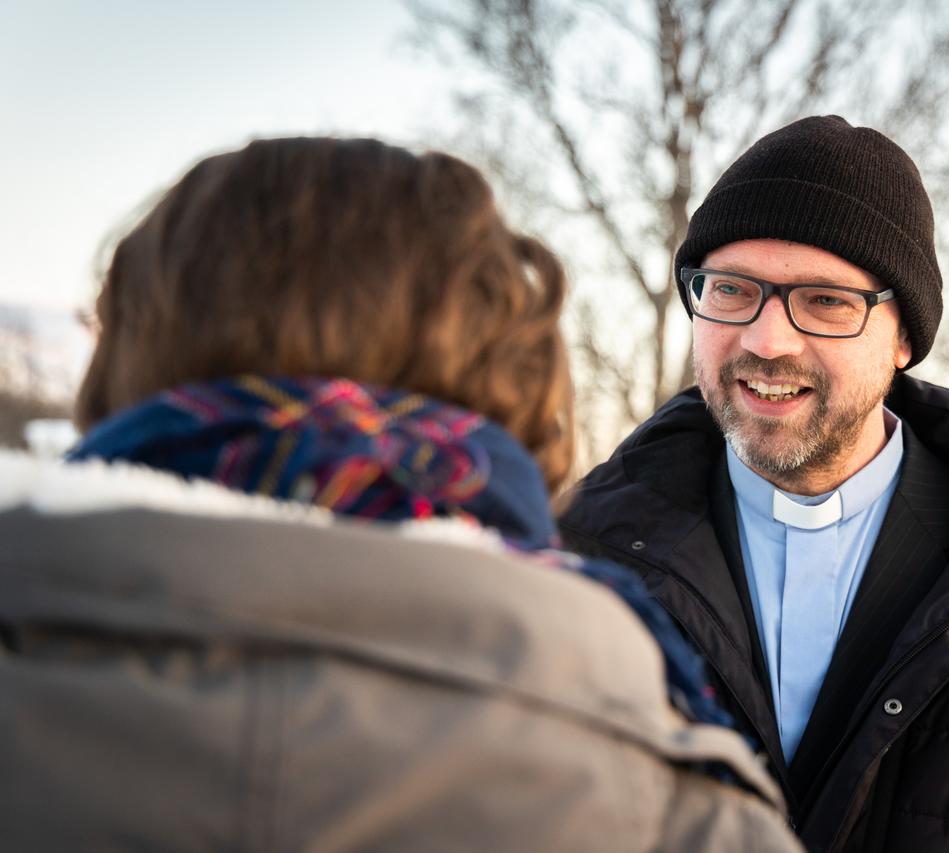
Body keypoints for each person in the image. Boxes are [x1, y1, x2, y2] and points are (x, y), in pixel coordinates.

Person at [0, 138, 803, 852]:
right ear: (518, 380)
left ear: (127, 352)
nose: (770, 338)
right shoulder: (674, 801)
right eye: (734, 293)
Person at [560, 116, 949, 852]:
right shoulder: (568, 567)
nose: (767, 340)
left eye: (825, 300)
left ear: (903, 337)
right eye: (731, 290)